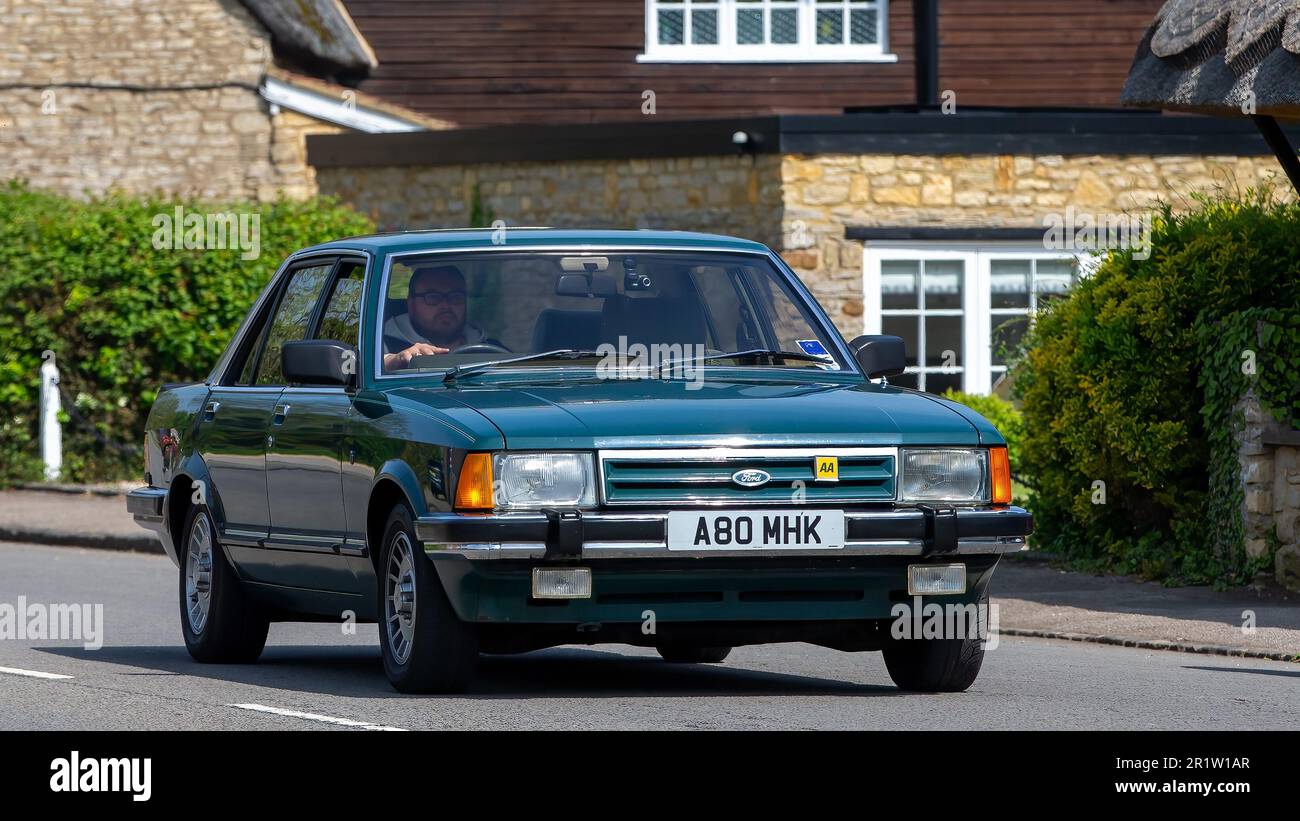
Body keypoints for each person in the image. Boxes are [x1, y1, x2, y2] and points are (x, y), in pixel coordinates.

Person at [382, 264, 490, 371]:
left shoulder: (489, 348)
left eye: (455, 297)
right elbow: (369, 370)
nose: (446, 305)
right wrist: (394, 361)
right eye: (433, 297)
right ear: (411, 303)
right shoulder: (381, 345)